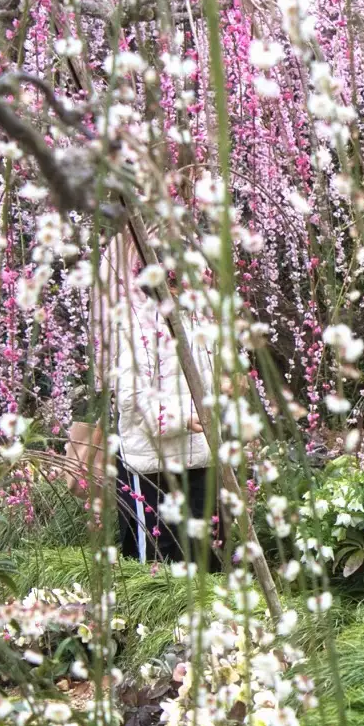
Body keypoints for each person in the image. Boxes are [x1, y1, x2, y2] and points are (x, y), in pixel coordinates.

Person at [110, 235, 219, 567]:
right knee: (159, 554)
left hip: (195, 455)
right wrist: (182, 419)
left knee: (198, 550)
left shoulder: (196, 322)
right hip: (151, 462)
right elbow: (132, 398)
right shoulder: (135, 328)